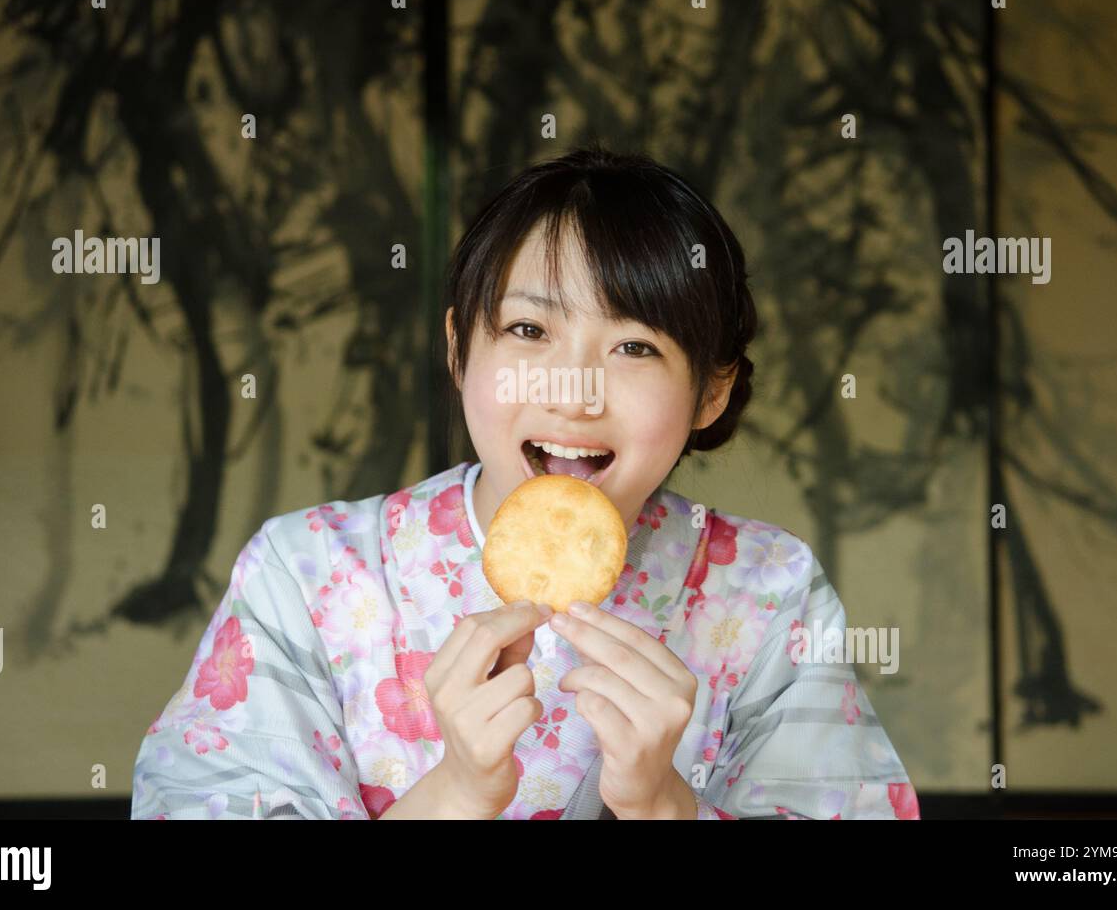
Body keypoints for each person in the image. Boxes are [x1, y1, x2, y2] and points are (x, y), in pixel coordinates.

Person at [130, 146, 920, 820]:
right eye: (530, 330)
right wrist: (456, 791)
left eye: (636, 347)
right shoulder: (304, 575)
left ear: (712, 391)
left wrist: (663, 803)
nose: (575, 392)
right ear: (458, 348)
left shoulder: (768, 593)